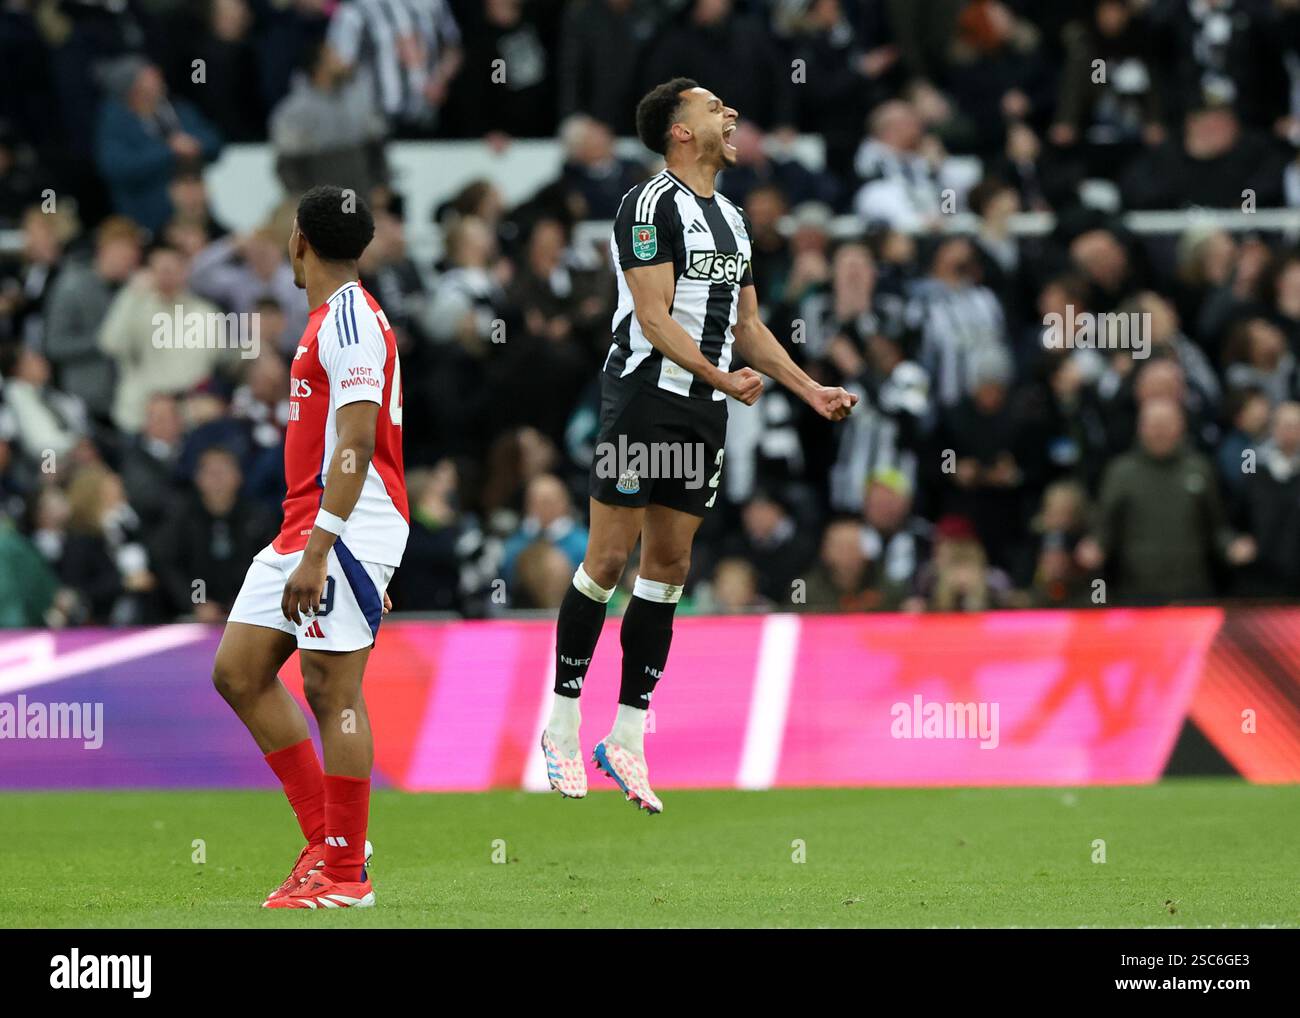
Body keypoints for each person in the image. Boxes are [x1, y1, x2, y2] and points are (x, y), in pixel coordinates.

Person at [540, 79, 857, 813]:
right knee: (608, 559)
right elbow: (652, 319)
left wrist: (809, 389)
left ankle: (626, 736)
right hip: (642, 399)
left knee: (671, 567)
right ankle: (560, 722)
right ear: (679, 130)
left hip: (704, 410)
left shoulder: (737, 221)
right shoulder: (646, 206)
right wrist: (721, 375)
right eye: (715, 108)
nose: (731, 114)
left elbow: (747, 326)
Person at [211, 186, 408, 910]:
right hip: (307, 528)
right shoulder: (327, 318)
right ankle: (328, 837)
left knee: (331, 689)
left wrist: (329, 548)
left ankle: (348, 874)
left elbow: (356, 444)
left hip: (342, 528)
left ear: (299, 240)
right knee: (237, 671)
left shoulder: (351, 319)